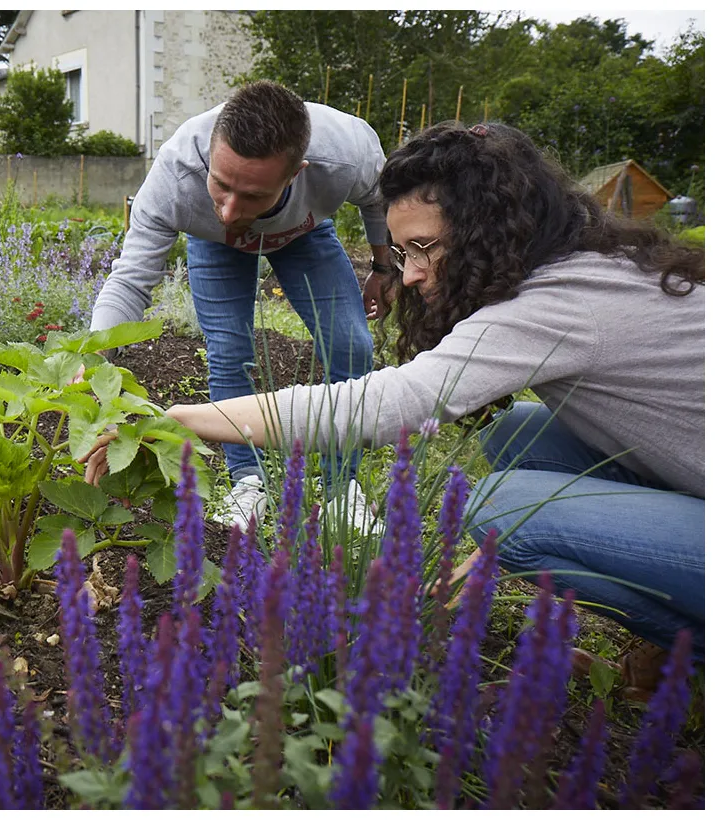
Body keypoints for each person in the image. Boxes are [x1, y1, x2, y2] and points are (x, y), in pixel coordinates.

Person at [84, 121, 704, 685]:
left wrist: (184, 418)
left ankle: (686, 646)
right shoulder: (578, 264)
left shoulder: (560, 303)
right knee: (509, 434)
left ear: (487, 226)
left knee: (497, 508)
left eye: (424, 247)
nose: (408, 273)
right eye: (402, 252)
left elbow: (391, 404)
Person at [90, 80, 393, 532]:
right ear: (210, 155)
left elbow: (380, 199)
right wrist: (92, 360)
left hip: (303, 236)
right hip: (215, 245)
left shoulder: (346, 153)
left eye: (252, 194)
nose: (230, 209)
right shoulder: (175, 174)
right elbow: (130, 279)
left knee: (351, 345)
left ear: (296, 173)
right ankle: (247, 480)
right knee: (230, 349)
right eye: (221, 183)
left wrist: (386, 267)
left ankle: (340, 488)